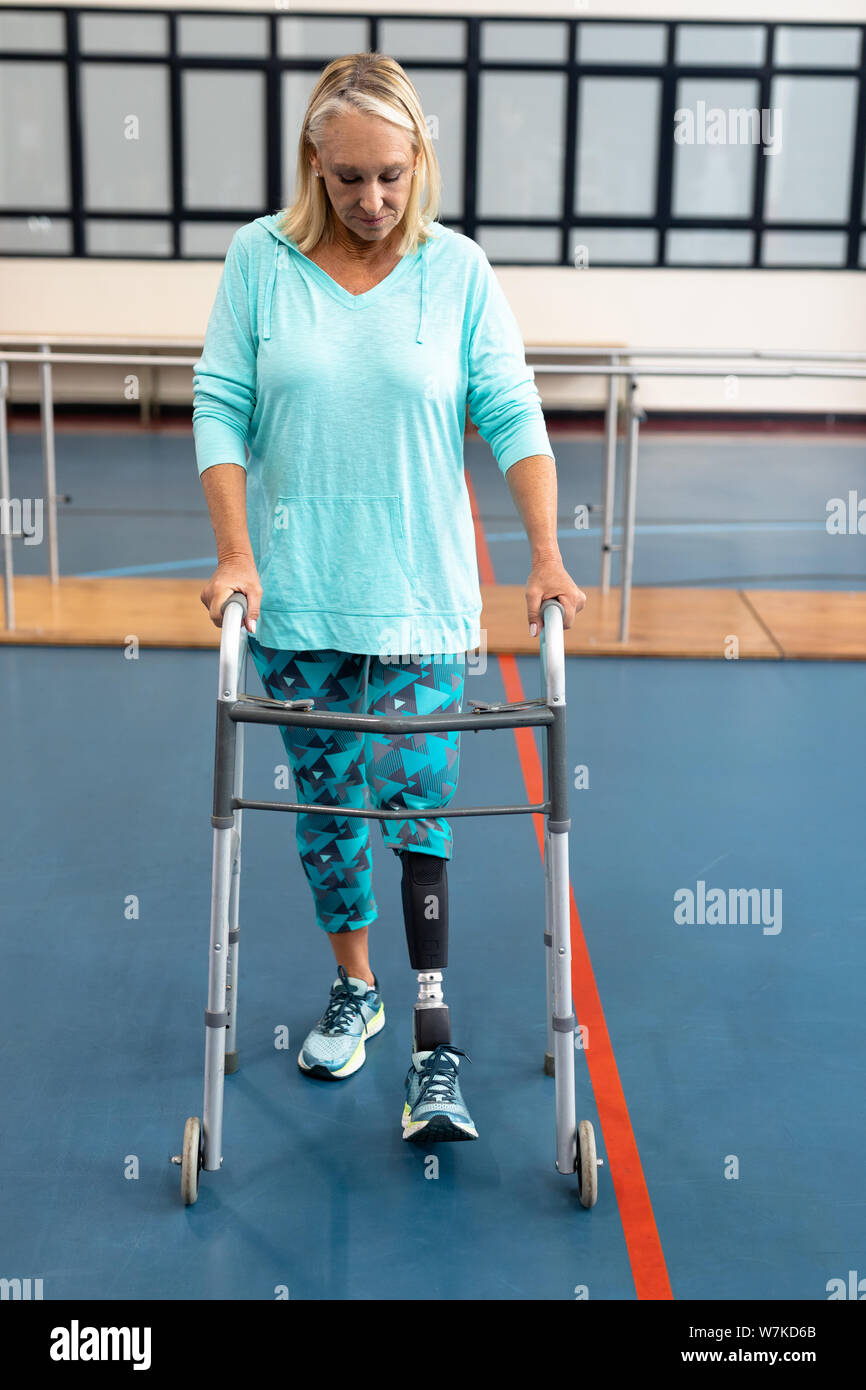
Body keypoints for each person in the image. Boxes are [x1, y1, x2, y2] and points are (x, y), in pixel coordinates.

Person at [192, 52, 585, 1144]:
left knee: (418, 814)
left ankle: (432, 1040)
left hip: (419, 602)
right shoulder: (259, 262)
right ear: (314, 161)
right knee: (324, 814)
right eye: (352, 177)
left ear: (421, 165)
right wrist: (235, 555)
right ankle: (354, 988)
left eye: (393, 177)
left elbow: (511, 412)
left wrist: (543, 555)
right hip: (302, 597)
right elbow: (219, 406)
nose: (372, 202)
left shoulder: (454, 271)